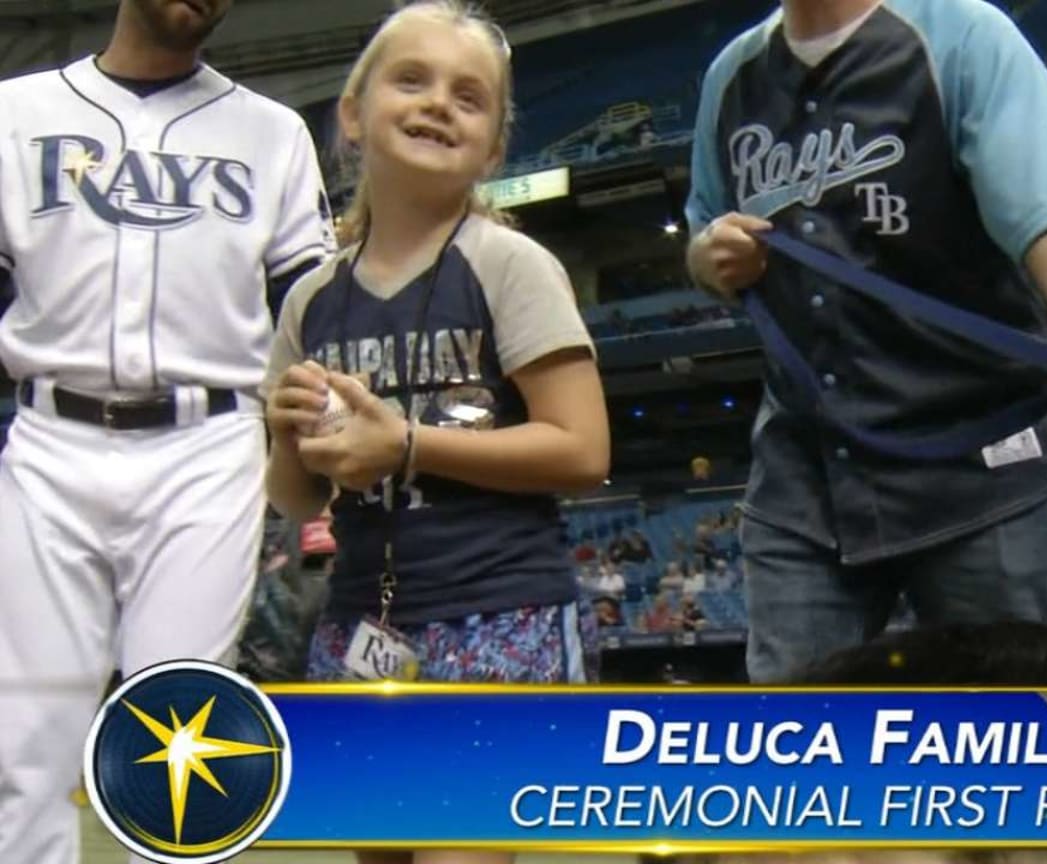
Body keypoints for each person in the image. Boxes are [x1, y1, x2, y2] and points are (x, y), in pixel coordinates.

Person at [685, 0, 1047, 682]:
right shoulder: (730, 77)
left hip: (977, 464)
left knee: (1022, 734)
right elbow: (705, 228)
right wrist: (709, 261)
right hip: (808, 477)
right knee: (794, 750)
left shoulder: (962, 33)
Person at [263, 7, 606, 860]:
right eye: (409, 80)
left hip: (499, 610)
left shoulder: (508, 264)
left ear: (493, 147)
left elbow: (583, 450)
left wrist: (408, 445)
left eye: (469, 96)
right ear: (351, 114)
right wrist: (285, 438)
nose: (438, 105)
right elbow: (295, 496)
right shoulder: (311, 297)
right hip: (360, 625)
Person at [0, 1, 335, 860]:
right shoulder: (17, 113)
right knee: (24, 745)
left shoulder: (274, 132)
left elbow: (313, 312)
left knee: (178, 741)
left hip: (210, 448)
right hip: (49, 442)